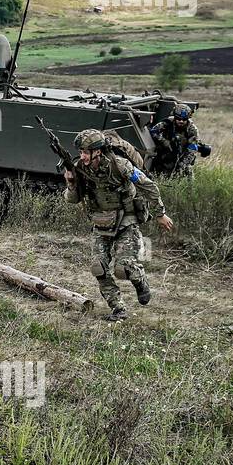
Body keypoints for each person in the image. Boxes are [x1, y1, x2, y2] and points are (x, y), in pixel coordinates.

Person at [64, 128, 175, 320]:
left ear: (97, 151)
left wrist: (160, 214)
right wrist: (72, 183)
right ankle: (118, 308)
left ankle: (140, 281)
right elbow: (72, 199)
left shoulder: (120, 165)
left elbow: (148, 186)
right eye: (80, 152)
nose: (82, 156)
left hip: (126, 219)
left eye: (85, 152)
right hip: (102, 221)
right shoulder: (79, 167)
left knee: (123, 268)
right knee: (98, 267)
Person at [149, 105, 201, 177]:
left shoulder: (192, 130)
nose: (181, 121)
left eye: (184, 119)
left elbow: (192, 150)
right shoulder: (168, 122)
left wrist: (183, 164)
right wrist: (163, 141)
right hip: (166, 155)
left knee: (187, 170)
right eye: (179, 119)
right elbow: (153, 131)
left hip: (183, 156)